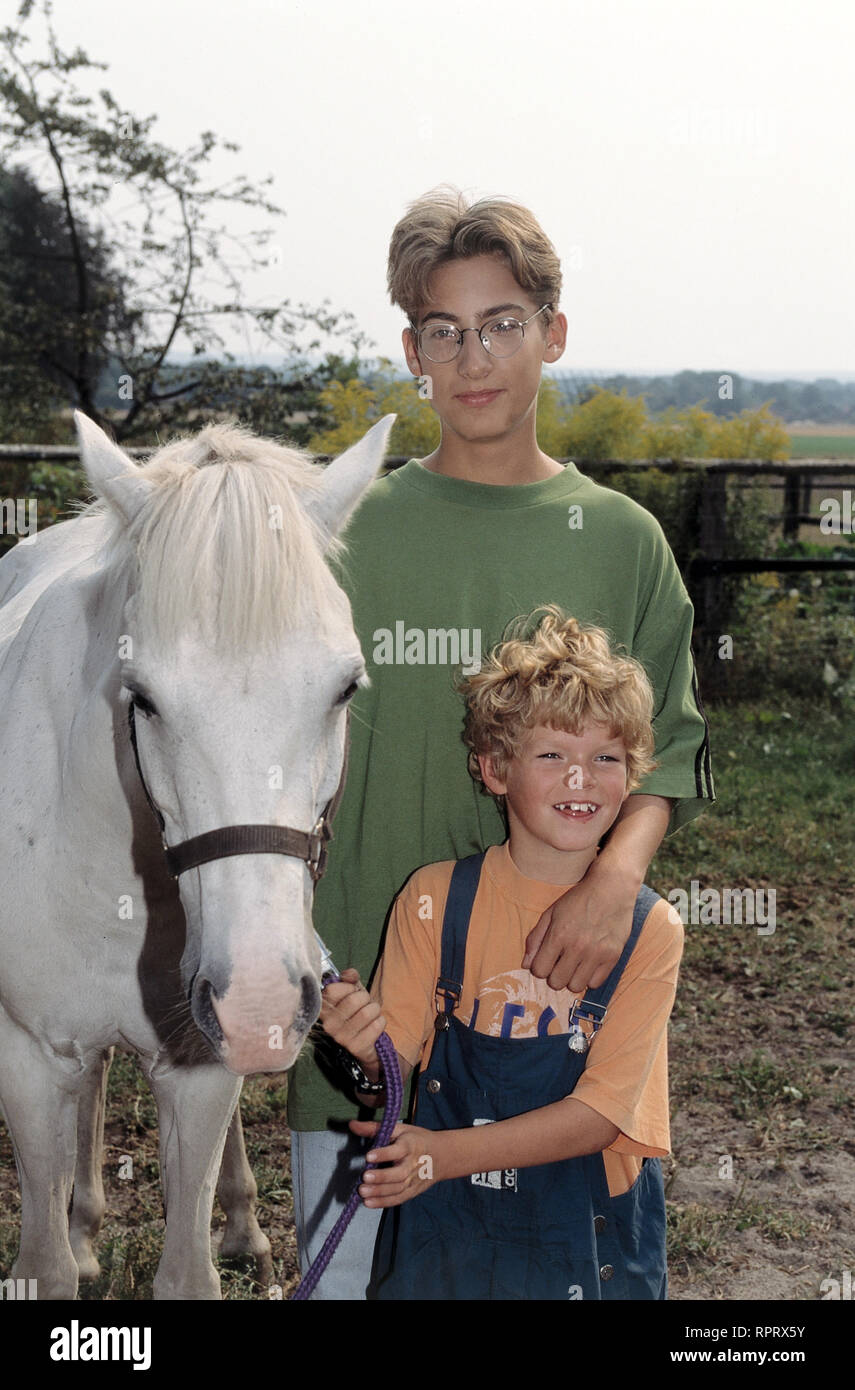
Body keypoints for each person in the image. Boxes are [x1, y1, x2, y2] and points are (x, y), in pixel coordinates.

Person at [288, 187, 713, 1298]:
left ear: (552, 333)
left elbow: (671, 747)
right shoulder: (345, 533)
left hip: (559, 1018)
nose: (473, 357)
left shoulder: (622, 540)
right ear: (412, 352)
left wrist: (617, 879)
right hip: (371, 1020)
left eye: (503, 323)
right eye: (443, 330)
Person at [320, 609, 682, 1299]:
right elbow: (391, 1073)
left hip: (583, 1239)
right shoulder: (431, 900)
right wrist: (364, 1048)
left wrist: (441, 1156)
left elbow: (602, 1115)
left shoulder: (650, 928)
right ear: (493, 769)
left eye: (605, 758)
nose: (580, 778)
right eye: (552, 755)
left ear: (631, 774)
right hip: (444, 1236)